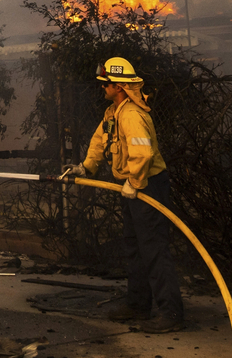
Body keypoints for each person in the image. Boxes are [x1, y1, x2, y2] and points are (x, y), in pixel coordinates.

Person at [63, 56, 184, 333]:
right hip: (133, 188)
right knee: (135, 247)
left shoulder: (131, 115)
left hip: (147, 186)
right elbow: (99, 142)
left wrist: (135, 180)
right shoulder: (113, 113)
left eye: (105, 83)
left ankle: (171, 314)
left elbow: (143, 153)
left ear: (118, 86)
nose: (101, 87)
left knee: (153, 250)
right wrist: (85, 167)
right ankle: (139, 306)